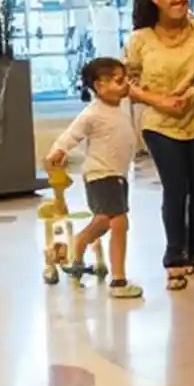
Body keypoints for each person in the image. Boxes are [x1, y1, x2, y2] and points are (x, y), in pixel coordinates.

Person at [126, 0, 194, 292]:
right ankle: (174, 252)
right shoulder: (140, 39)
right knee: (176, 188)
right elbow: (128, 83)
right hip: (160, 124)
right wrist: (159, 100)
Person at [44, 57, 142, 300]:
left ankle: (81, 241)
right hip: (101, 174)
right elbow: (73, 133)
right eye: (119, 81)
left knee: (103, 221)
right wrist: (59, 149)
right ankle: (118, 280)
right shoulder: (92, 113)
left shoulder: (118, 108)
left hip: (117, 175)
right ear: (99, 86)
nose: (124, 86)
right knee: (119, 222)